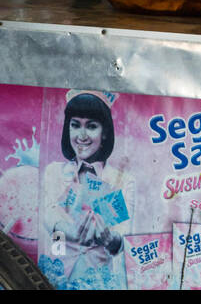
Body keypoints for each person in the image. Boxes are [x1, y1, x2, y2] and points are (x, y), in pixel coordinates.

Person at [39, 89, 134, 290]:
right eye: (75, 125)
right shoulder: (54, 172)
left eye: (91, 126)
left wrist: (111, 240)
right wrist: (64, 232)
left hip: (99, 281)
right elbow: (48, 220)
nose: (82, 136)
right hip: (55, 280)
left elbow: (124, 238)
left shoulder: (121, 181)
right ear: (68, 129)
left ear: (105, 132)